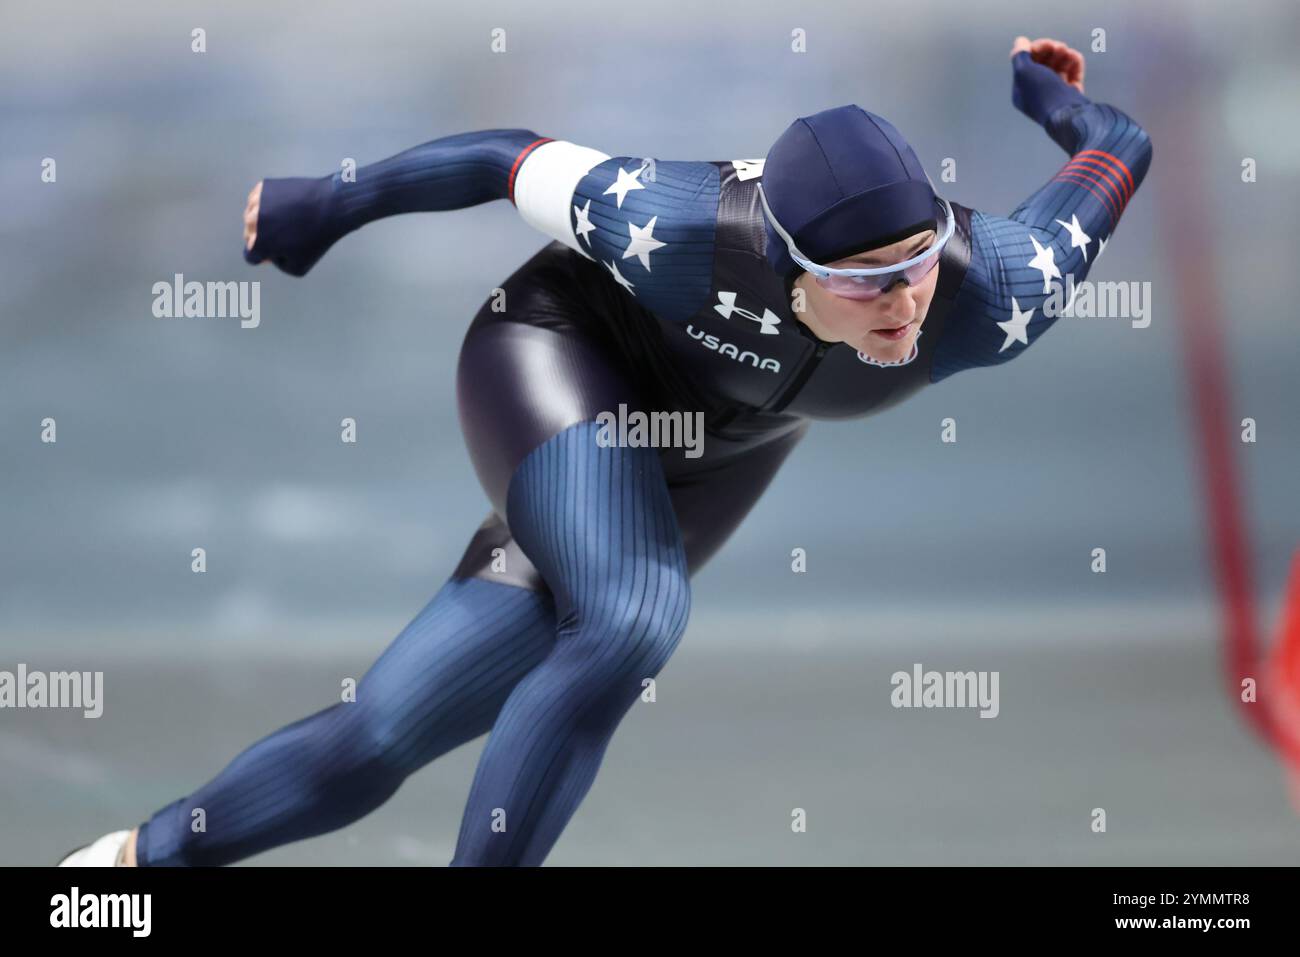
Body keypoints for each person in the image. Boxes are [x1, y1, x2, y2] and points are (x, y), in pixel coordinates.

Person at [59, 35, 1151, 867]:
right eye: (860, 278)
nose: (900, 302)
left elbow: (1120, 149)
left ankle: (127, 867)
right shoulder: (675, 225)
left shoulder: (999, 286)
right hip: (561, 355)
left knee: (385, 732)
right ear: (779, 259)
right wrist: (325, 207)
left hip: (721, 448)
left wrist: (1049, 99)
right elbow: (502, 158)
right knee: (629, 613)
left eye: (913, 262)